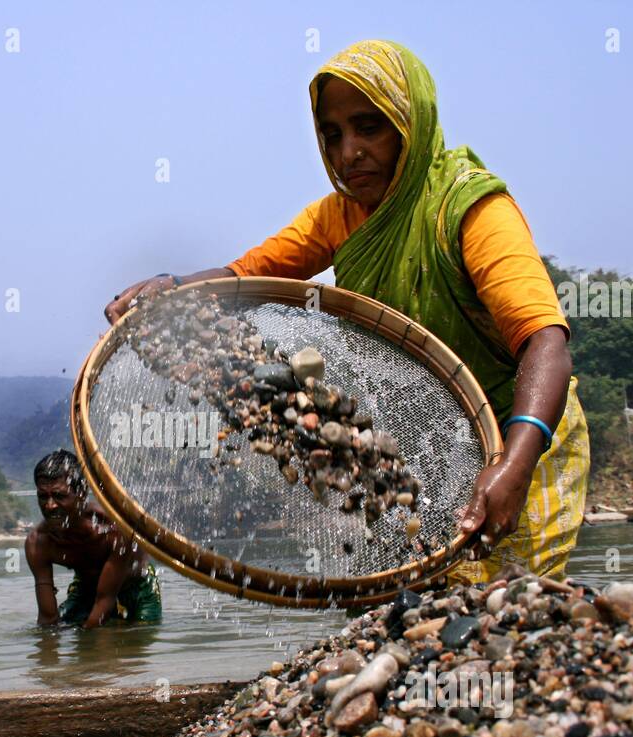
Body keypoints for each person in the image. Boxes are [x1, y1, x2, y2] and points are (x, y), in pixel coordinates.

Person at [104, 40, 588, 582]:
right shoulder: (340, 215)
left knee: (509, 600)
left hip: (524, 434)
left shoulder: (471, 211)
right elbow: (249, 274)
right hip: (427, 446)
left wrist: (514, 467)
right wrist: (173, 285)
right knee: (427, 603)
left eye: (368, 128)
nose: (347, 153)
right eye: (332, 135)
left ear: (412, 123)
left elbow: (546, 343)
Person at [25, 450, 162, 627]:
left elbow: (105, 601)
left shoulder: (115, 530)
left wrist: (90, 644)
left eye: (59, 496)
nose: (50, 506)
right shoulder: (38, 543)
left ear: (81, 493)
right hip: (86, 589)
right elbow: (47, 618)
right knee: (52, 632)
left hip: (137, 588)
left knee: (135, 638)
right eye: (43, 496)